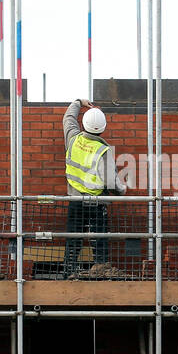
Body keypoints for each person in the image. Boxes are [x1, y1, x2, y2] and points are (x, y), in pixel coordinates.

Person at [63, 98, 127, 276]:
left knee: (73, 238)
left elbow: (68, 119)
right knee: (99, 239)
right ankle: (100, 270)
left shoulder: (73, 139)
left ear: (83, 124)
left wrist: (78, 102)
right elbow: (112, 183)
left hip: (75, 200)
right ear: (103, 128)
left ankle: (69, 271)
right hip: (96, 203)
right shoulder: (103, 151)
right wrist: (122, 190)